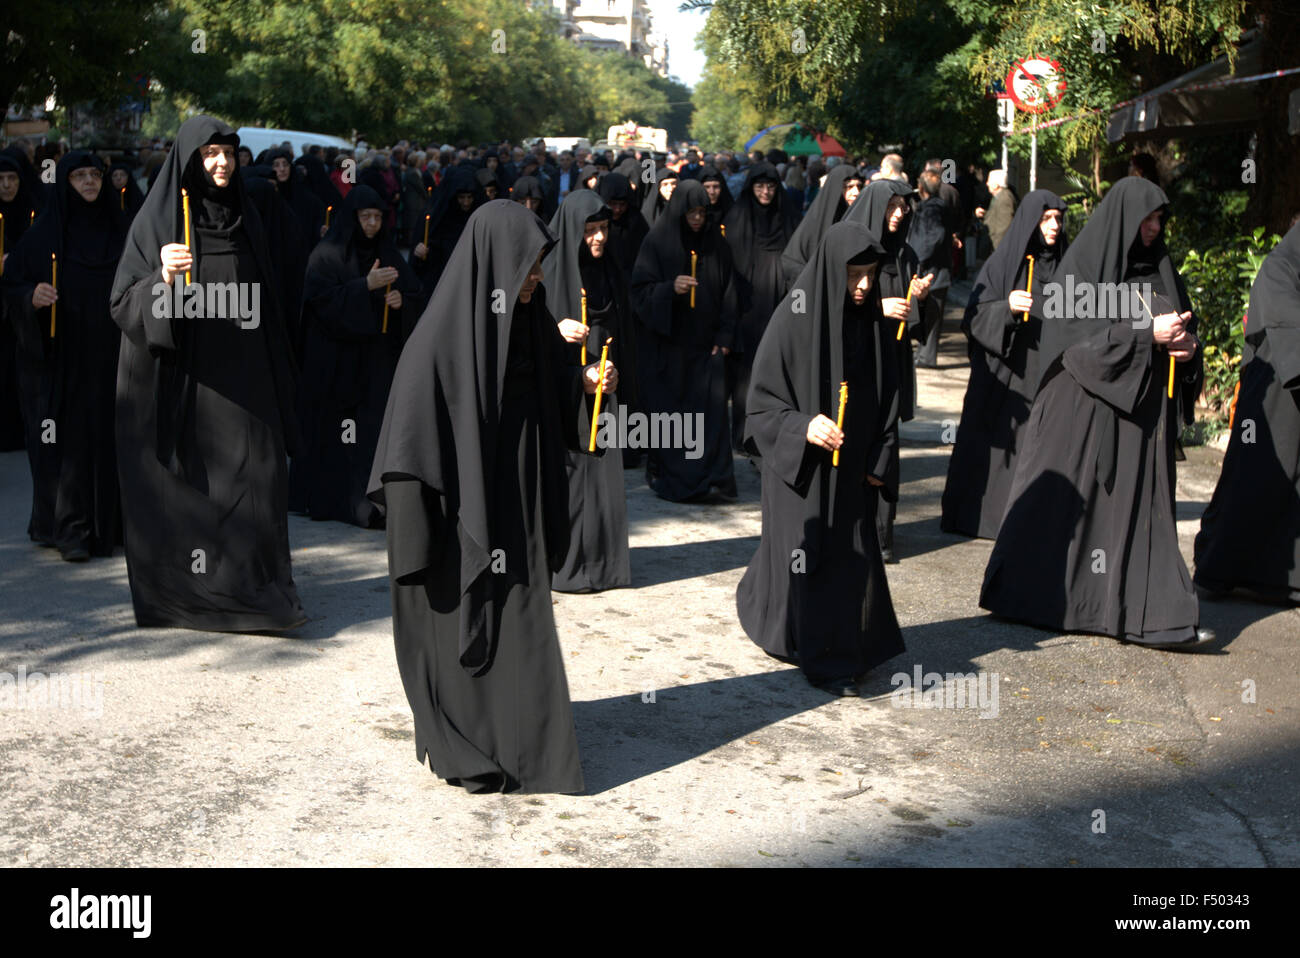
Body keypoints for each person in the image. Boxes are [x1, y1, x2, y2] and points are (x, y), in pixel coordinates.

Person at [366, 199, 618, 795]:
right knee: (464, 615)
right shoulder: (436, 341)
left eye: (538, 267)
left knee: (522, 613)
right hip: (460, 514)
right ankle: (471, 738)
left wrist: (583, 383)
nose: (536, 279)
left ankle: (529, 745)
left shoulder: (528, 319)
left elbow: (556, 388)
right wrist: (412, 535)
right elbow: (407, 445)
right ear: (494, 267)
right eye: (527, 268)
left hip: (520, 498)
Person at [980, 177, 1214, 647]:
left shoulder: (1162, 271)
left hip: (1143, 419)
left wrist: (1188, 351)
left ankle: (1154, 616)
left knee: (1141, 514)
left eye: (1160, 219)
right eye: (1146, 218)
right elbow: (1078, 344)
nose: (1153, 227)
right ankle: (1036, 598)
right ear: (1124, 220)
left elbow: (1179, 332)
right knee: (1063, 513)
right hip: (1080, 415)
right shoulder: (1082, 273)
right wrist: (1147, 335)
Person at [110, 115, 305, 632]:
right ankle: (195, 595)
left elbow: (269, 296)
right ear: (190, 159)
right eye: (209, 154)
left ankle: (257, 592)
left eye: (228, 152)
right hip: (189, 381)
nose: (221, 163)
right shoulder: (158, 222)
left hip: (247, 379)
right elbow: (123, 302)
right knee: (197, 488)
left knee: (260, 477)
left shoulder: (248, 213)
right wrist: (162, 277)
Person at [736, 220, 904, 696]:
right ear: (832, 273)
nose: (865, 286)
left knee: (848, 559)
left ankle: (842, 647)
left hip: (851, 470)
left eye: (871, 275)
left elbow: (889, 398)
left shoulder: (872, 324)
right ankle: (822, 657)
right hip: (803, 472)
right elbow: (762, 404)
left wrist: (881, 458)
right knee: (806, 561)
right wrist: (802, 426)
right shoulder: (794, 318)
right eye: (855, 276)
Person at [4, 151, 129, 559]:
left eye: (95, 174)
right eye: (79, 176)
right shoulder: (44, 235)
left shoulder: (121, 229)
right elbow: (12, 285)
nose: (90, 182)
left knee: (110, 439)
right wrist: (31, 297)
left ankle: (109, 527)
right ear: (65, 183)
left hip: (111, 355)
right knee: (64, 441)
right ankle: (68, 527)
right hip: (61, 358)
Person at [941, 191, 1068, 539]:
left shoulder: (1067, 268)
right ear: (1031, 221)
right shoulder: (1002, 264)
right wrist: (1006, 308)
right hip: (1002, 375)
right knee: (994, 445)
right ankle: (980, 517)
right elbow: (974, 317)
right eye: (1046, 219)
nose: (1054, 226)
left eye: (1059, 218)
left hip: (1044, 374)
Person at [294, 185, 420, 527]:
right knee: (336, 433)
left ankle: (369, 502)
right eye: (366, 217)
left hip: (374, 363)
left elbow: (413, 295)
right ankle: (333, 498)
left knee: (369, 432)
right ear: (353, 218)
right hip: (336, 363)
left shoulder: (388, 253)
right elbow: (320, 305)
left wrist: (401, 305)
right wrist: (364, 287)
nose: (372, 224)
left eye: (378, 217)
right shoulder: (327, 254)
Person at [1194, 220, 1300, 605]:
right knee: (1256, 482)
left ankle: (1279, 578)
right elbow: (1288, 325)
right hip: (1272, 398)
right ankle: (1218, 571)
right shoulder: (1280, 267)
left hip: (1292, 391)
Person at [544, 191, 632, 591]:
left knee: (600, 471)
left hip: (604, 378)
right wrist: (555, 331)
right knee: (569, 473)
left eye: (603, 229)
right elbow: (516, 327)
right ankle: (563, 561)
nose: (598, 238)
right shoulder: (545, 270)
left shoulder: (609, 268)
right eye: (590, 231)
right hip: (561, 389)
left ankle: (601, 561)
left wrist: (613, 365)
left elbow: (624, 321)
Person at [631, 179, 739, 502]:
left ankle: (710, 477)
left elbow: (731, 294)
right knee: (671, 414)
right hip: (668, 346)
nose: (696, 219)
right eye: (690, 212)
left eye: (702, 212)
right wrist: (668, 289)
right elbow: (639, 292)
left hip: (705, 347)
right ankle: (671, 475)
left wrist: (725, 334)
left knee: (708, 413)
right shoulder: (656, 243)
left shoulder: (717, 246)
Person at [843, 178, 935, 560]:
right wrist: (879, 310)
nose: (899, 213)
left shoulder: (906, 254)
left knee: (887, 442)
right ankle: (850, 532)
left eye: (904, 207)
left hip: (891, 365)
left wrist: (921, 303)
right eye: (892, 206)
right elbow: (831, 305)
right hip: (855, 364)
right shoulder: (848, 246)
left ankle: (882, 535)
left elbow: (916, 326)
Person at [722, 161, 797, 453]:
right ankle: (744, 434)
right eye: (760, 186)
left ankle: (774, 432)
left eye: (771, 186)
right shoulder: (738, 217)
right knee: (746, 375)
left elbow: (798, 259)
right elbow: (729, 268)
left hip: (780, 307)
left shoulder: (787, 216)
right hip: (747, 309)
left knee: (777, 370)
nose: (765, 192)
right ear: (750, 188)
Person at [781, 164, 864, 284]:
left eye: (859, 186)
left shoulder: (861, 218)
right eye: (848, 187)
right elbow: (792, 262)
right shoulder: (815, 221)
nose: (856, 192)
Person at [910, 171, 954, 368]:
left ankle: (927, 357)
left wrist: (918, 258)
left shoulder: (933, 208)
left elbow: (934, 236)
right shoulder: (935, 206)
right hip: (933, 269)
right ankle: (923, 353)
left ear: (922, 188)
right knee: (927, 314)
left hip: (933, 271)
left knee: (932, 313)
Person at [977, 169, 1016, 250]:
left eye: (989, 181)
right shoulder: (999, 197)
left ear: (996, 185)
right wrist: (984, 214)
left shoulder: (1004, 198)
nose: (987, 184)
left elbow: (1003, 227)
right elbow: (997, 217)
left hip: (998, 248)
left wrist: (998, 251)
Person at [699, 164, 733, 229]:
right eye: (707, 187)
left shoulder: (731, 212)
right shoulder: (692, 215)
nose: (712, 192)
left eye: (716, 187)